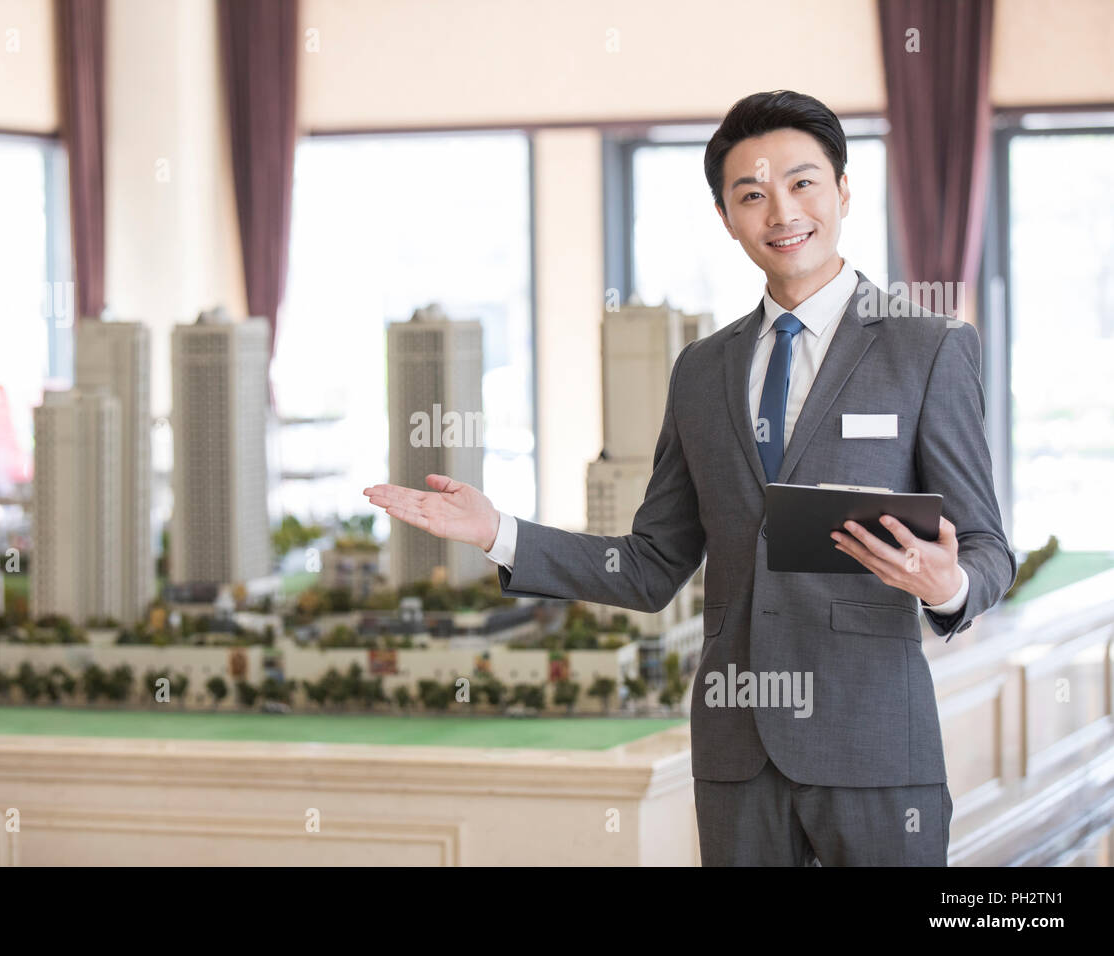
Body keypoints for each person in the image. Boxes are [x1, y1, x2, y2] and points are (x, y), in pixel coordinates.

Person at [364, 90, 1016, 866]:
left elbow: (985, 548)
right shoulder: (703, 370)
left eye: (803, 183)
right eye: (752, 194)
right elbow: (651, 565)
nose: (782, 210)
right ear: (726, 217)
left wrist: (946, 587)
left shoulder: (928, 348)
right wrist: (499, 532)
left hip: (873, 750)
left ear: (843, 190)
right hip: (737, 755)